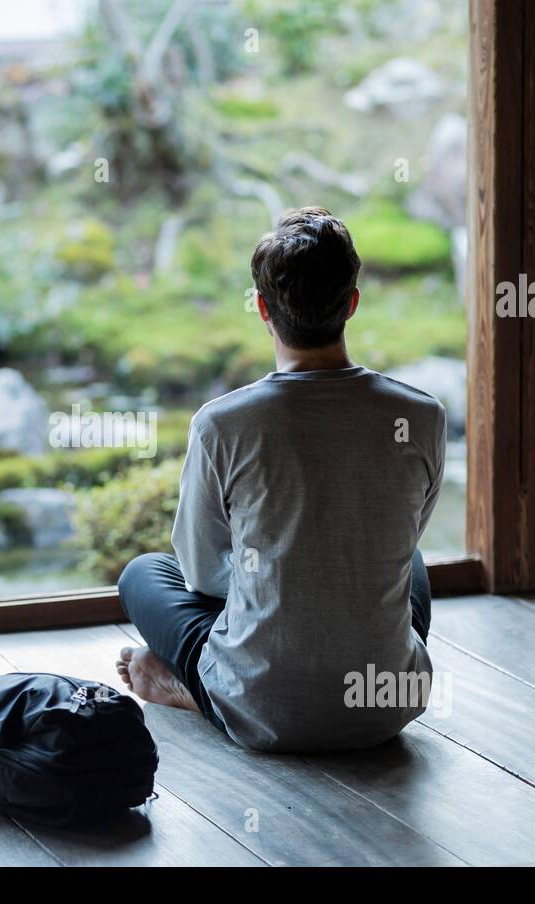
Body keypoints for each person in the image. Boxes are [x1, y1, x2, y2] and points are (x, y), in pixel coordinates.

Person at [115, 206, 444, 752]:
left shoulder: (223, 423)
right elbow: (407, 531)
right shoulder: (422, 416)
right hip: (389, 701)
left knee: (143, 573)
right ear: (353, 303)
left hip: (264, 704)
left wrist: (267, 583)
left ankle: (196, 685)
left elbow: (198, 571)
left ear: (262, 308)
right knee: (405, 560)